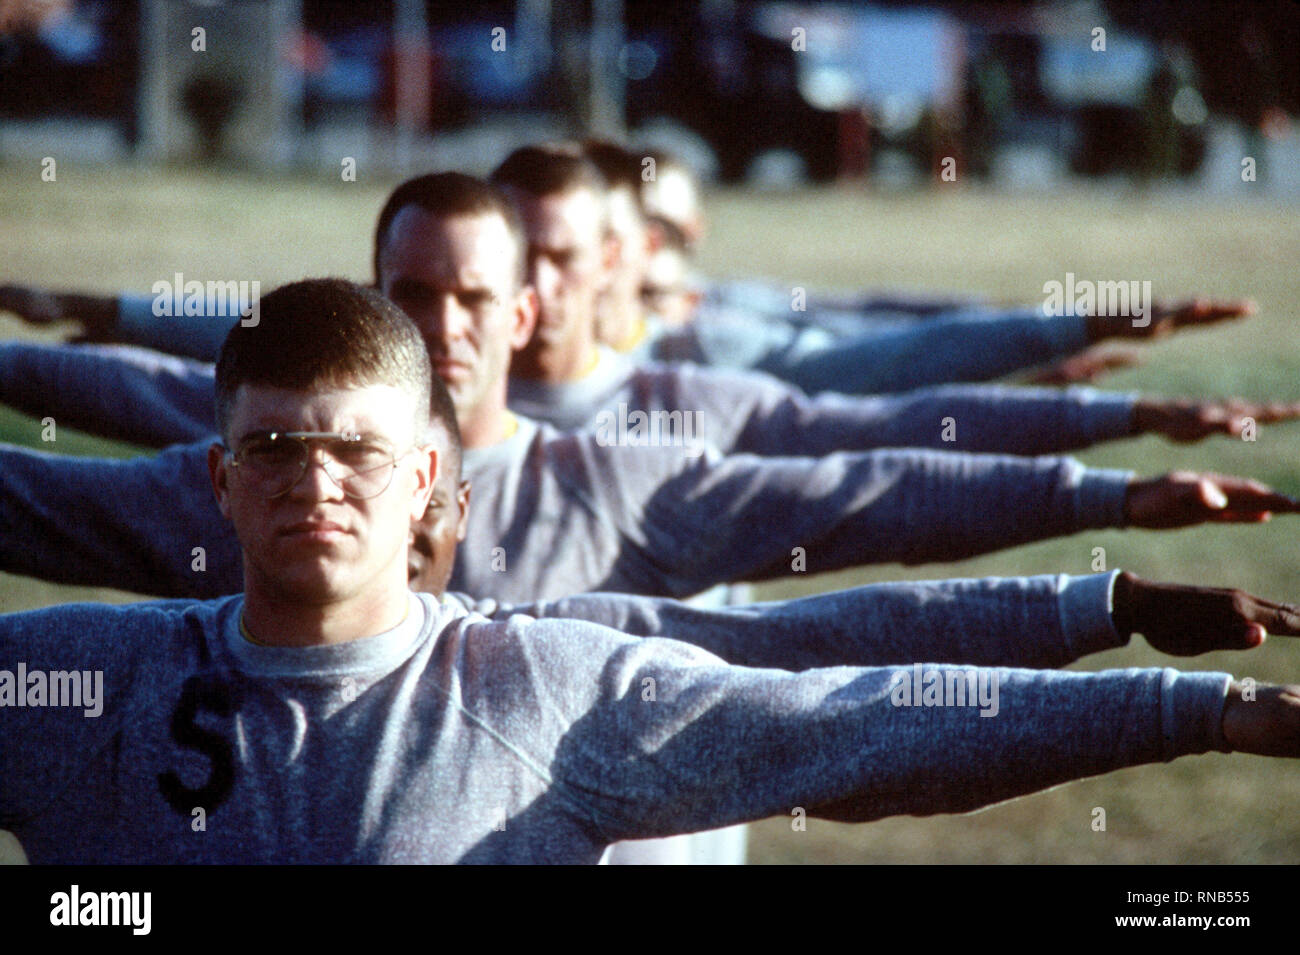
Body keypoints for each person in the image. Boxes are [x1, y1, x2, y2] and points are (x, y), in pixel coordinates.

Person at [6, 276, 1300, 864]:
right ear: (220, 480)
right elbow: (120, 398)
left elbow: (857, 700)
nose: (313, 478)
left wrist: (1184, 702)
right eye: (276, 448)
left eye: (355, 449)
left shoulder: (543, 681)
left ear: (424, 484)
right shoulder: (86, 686)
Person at [0, 174, 1296, 605]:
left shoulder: (671, 427)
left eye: (570, 255)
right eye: (417, 291)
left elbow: (878, 413)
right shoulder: (307, 439)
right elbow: (158, 366)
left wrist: (1108, 423)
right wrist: (74, 312)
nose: (452, 321)